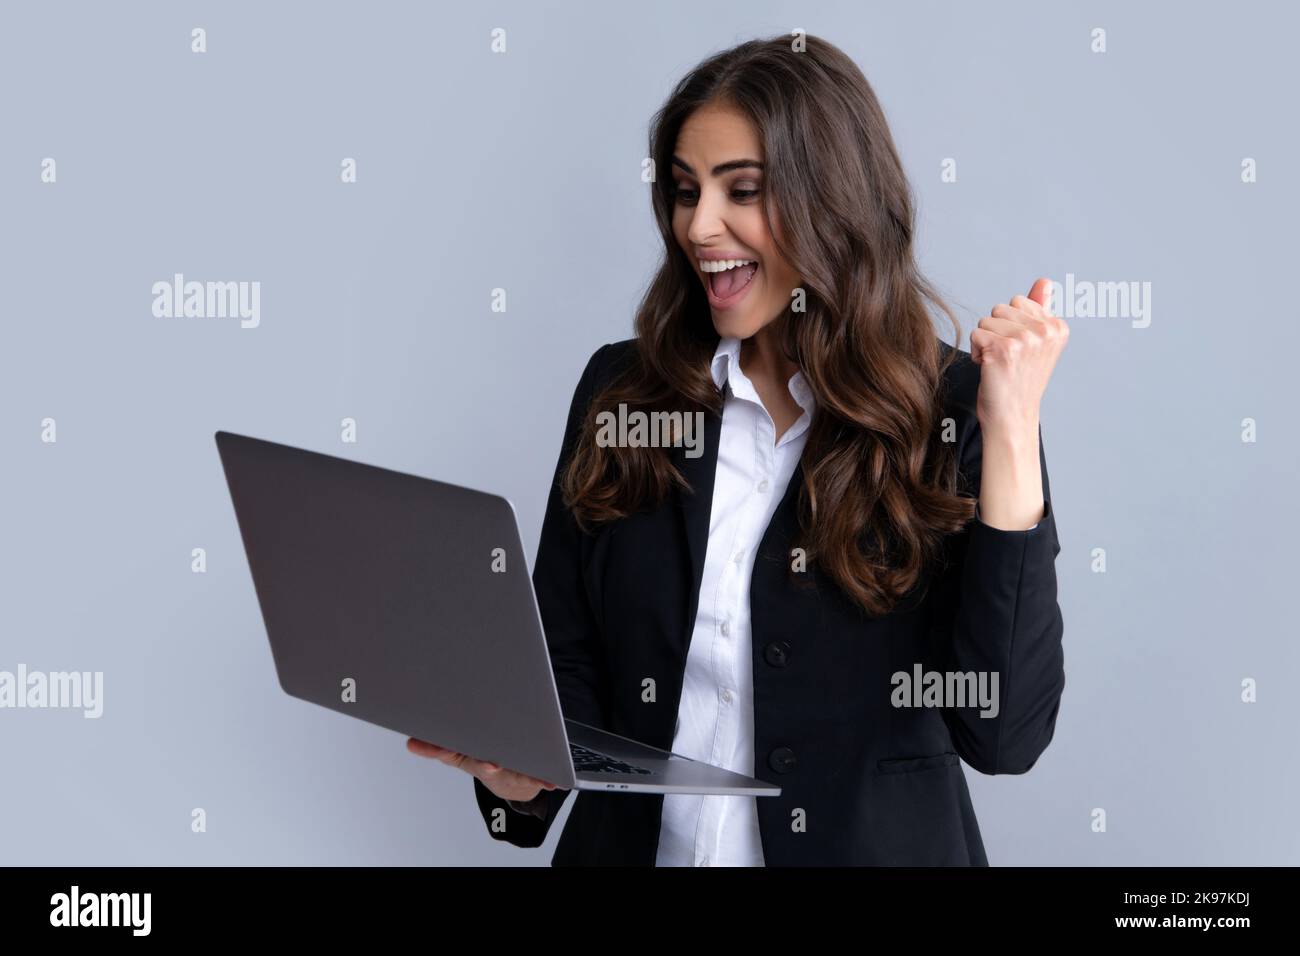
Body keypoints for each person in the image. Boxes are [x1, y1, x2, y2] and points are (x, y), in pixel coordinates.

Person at [408, 32, 1068, 866]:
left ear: (834, 199)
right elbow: (566, 666)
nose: (698, 226)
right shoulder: (622, 393)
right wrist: (518, 778)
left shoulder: (954, 412)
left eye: (741, 190)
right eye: (685, 192)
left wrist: (1012, 427)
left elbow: (1004, 733)